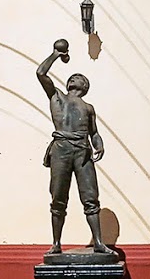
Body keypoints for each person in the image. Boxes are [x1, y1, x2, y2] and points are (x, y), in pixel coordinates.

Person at [36, 38, 109, 255]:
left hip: (82, 150)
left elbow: (94, 132)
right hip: (61, 148)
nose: (75, 78)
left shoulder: (88, 107)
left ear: (84, 87)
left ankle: (98, 242)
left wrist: (99, 144)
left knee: (90, 196)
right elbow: (41, 73)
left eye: (79, 78)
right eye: (73, 77)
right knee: (58, 196)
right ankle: (56, 243)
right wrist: (56, 55)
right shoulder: (56, 96)